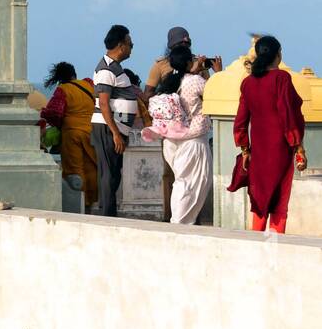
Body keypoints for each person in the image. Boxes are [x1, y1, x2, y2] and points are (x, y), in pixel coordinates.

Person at [144, 26, 222, 220]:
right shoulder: (194, 80)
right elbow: (216, 97)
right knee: (190, 184)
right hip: (192, 140)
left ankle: (179, 223)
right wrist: (218, 73)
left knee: (182, 182)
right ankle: (178, 225)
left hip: (171, 139)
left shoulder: (169, 81)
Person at [233, 35, 307, 233]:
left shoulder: (247, 83)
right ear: (278, 54)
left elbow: (240, 121)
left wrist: (245, 149)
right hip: (280, 150)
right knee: (279, 204)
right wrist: (298, 146)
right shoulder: (282, 78)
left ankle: (255, 244)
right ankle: (277, 246)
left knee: (260, 200)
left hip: (258, 152)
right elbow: (288, 114)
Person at [91, 24, 138, 217]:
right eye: (130, 43)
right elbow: (103, 104)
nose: (132, 46)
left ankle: (109, 212)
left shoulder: (116, 68)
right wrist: (116, 133)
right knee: (109, 173)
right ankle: (107, 216)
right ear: (121, 45)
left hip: (115, 128)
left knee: (114, 173)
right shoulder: (106, 70)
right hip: (108, 129)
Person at [39, 62, 99, 208]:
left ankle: (79, 204)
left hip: (72, 135)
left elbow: (55, 113)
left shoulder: (63, 90)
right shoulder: (88, 85)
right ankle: (92, 203)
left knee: (74, 170)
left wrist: (44, 114)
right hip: (91, 132)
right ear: (74, 74)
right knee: (91, 168)